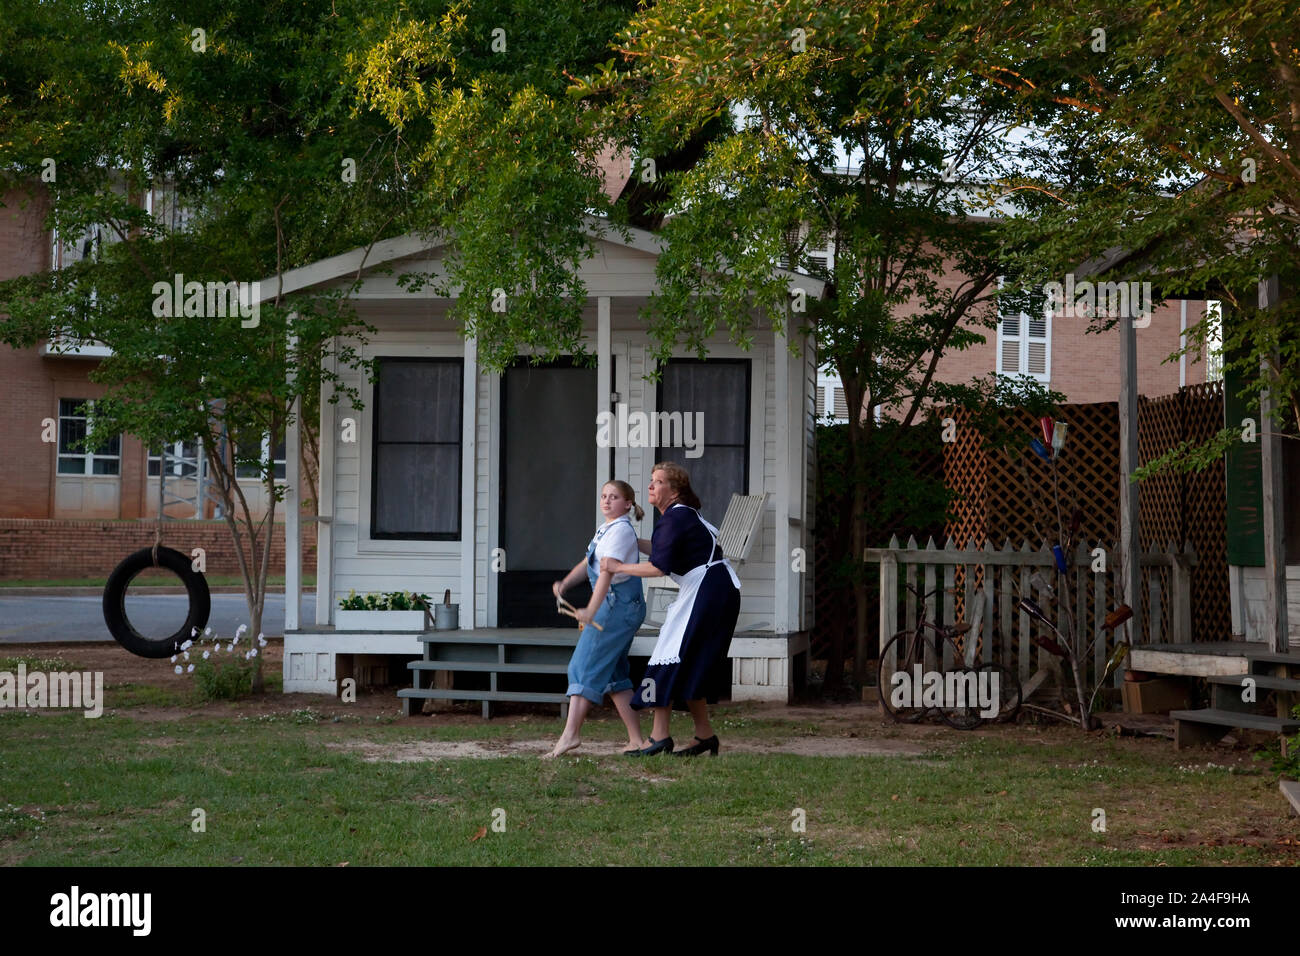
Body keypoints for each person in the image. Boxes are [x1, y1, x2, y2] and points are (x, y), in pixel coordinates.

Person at [600, 462, 740, 756]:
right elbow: (664, 550)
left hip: (706, 590)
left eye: (659, 481)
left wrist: (617, 566)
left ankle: (659, 737)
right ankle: (704, 737)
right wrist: (631, 541)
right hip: (713, 589)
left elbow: (659, 567)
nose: (651, 486)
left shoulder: (675, 518)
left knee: (668, 654)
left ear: (674, 491)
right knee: (687, 660)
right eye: (651, 480)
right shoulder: (681, 516)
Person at [543, 480, 648, 758]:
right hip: (620, 606)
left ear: (627, 504)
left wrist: (590, 610)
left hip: (617, 606)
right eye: (603, 496)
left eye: (613, 497)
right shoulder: (606, 529)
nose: (606, 501)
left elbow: (607, 573)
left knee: (583, 665)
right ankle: (637, 740)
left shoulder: (621, 531)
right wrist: (565, 583)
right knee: (613, 672)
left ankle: (571, 735)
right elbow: (589, 561)